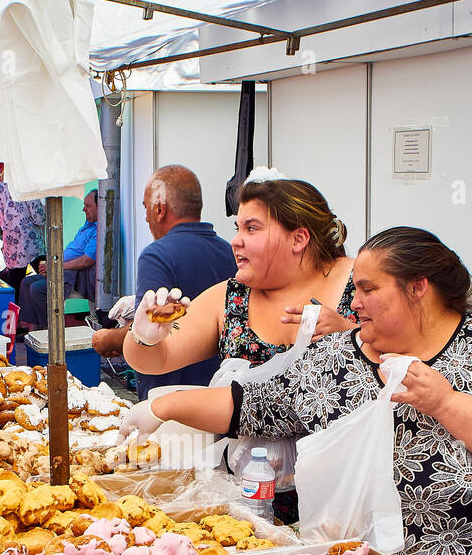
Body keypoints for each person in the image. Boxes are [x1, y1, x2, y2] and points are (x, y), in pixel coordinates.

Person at [124, 226, 472, 555]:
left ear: (419, 289)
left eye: (368, 289)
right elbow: (254, 405)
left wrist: (446, 403)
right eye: (354, 288)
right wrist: (162, 406)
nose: (353, 303)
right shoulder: (338, 357)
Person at [122, 172, 355, 385]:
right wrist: (142, 337)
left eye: (251, 229)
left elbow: (390, 361)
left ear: (298, 239)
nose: (235, 241)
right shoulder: (231, 298)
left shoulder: (359, 281)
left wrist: (353, 334)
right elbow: (157, 360)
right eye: (238, 229)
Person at [91, 165, 235, 399]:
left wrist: (106, 338)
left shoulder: (157, 255)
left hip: (170, 399)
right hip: (219, 397)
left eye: (146, 208)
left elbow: (152, 330)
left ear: (159, 210)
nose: (146, 217)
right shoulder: (228, 252)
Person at [19, 188, 98, 332]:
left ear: (100, 207)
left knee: (38, 289)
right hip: (61, 270)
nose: (83, 209)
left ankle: (50, 330)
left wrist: (56, 267)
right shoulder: (87, 226)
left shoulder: (98, 230)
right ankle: (33, 328)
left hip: (71, 277)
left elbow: (86, 261)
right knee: (26, 283)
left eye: (88, 206)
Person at [0, 164, 45, 299]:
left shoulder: (0, 188)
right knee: (43, 278)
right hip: (31, 240)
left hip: (11, 240)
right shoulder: (27, 187)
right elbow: (39, 217)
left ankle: (17, 315)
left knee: (15, 283)